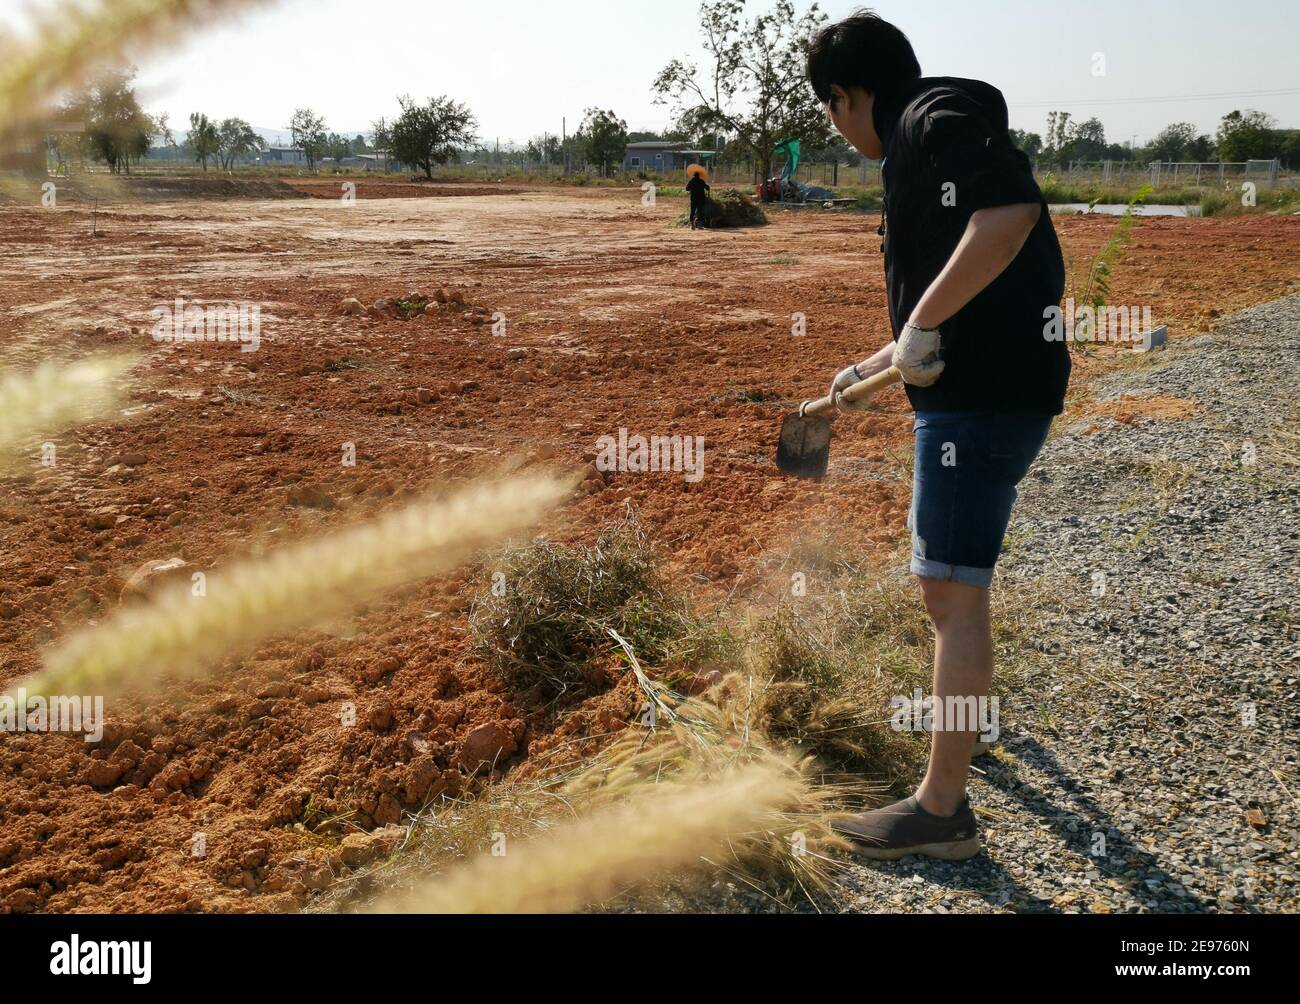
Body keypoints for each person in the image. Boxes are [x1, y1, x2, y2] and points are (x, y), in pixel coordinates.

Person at [806, 10, 1070, 860]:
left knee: (950, 599)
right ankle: (964, 731)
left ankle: (941, 810)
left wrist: (919, 325)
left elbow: (1010, 214)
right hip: (994, 392)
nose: (840, 133)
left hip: (980, 404)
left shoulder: (930, 117)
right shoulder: (926, 137)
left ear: (848, 96)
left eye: (832, 112)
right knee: (960, 591)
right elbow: (951, 291)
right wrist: (874, 361)